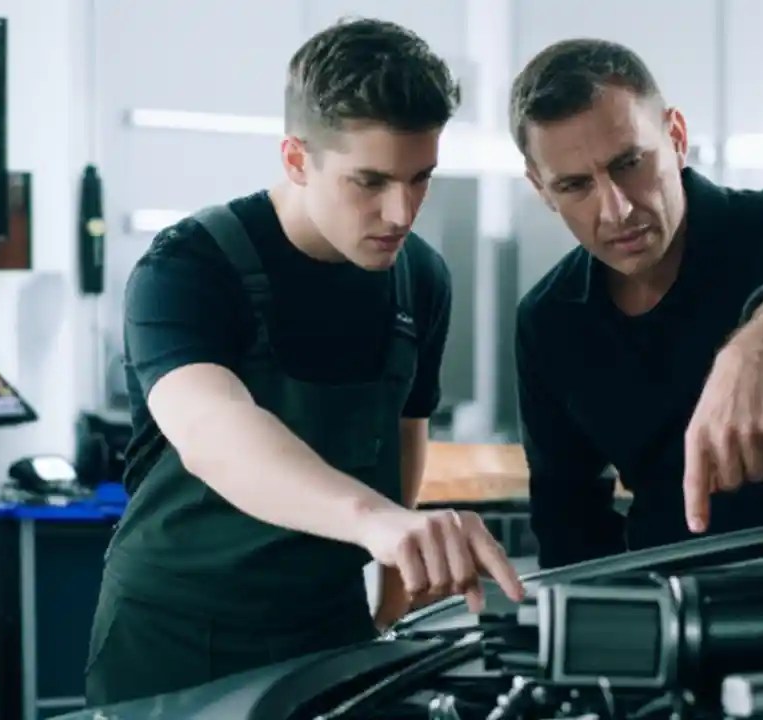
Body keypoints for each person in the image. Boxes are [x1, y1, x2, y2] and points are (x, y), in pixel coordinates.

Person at [84, 18, 524, 705]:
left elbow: (407, 431)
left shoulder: (421, 279)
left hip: (327, 627)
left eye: (420, 178)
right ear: (296, 159)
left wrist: (397, 564)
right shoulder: (187, 267)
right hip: (174, 637)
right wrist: (376, 522)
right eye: (369, 180)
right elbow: (214, 435)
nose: (400, 211)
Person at [508, 39, 763, 570]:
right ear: (542, 190)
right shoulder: (548, 319)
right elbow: (569, 527)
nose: (615, 210)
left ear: (677, 138)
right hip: (677, 626)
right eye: (575, 186)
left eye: (630, 163)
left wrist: (755, 357)